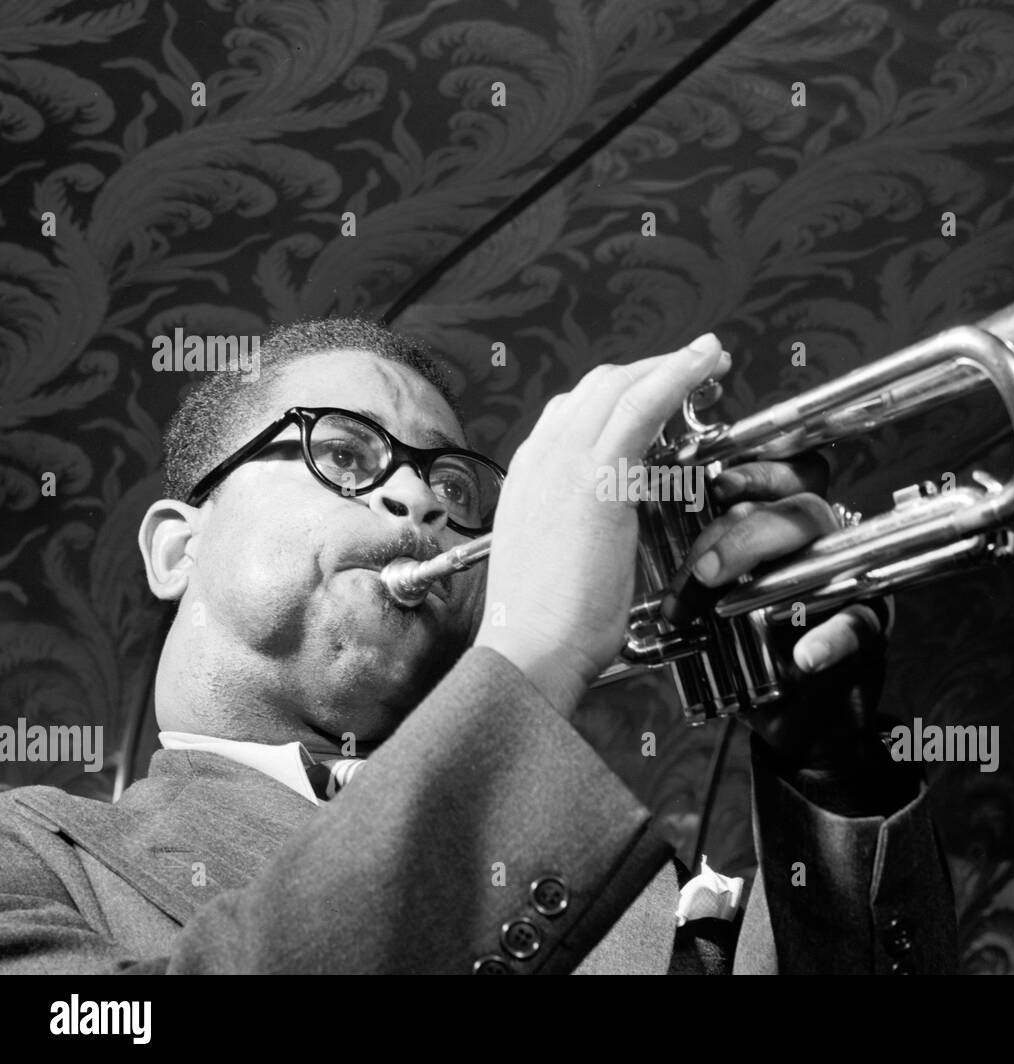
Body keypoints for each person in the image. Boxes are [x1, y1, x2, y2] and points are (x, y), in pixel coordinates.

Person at [0, 318, 957, 974]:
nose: (422, 502)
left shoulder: (619, 883)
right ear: (178, 546)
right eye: (344, 454)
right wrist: (534, 649)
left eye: (455, 490)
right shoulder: (31, 854)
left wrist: (829, 772)